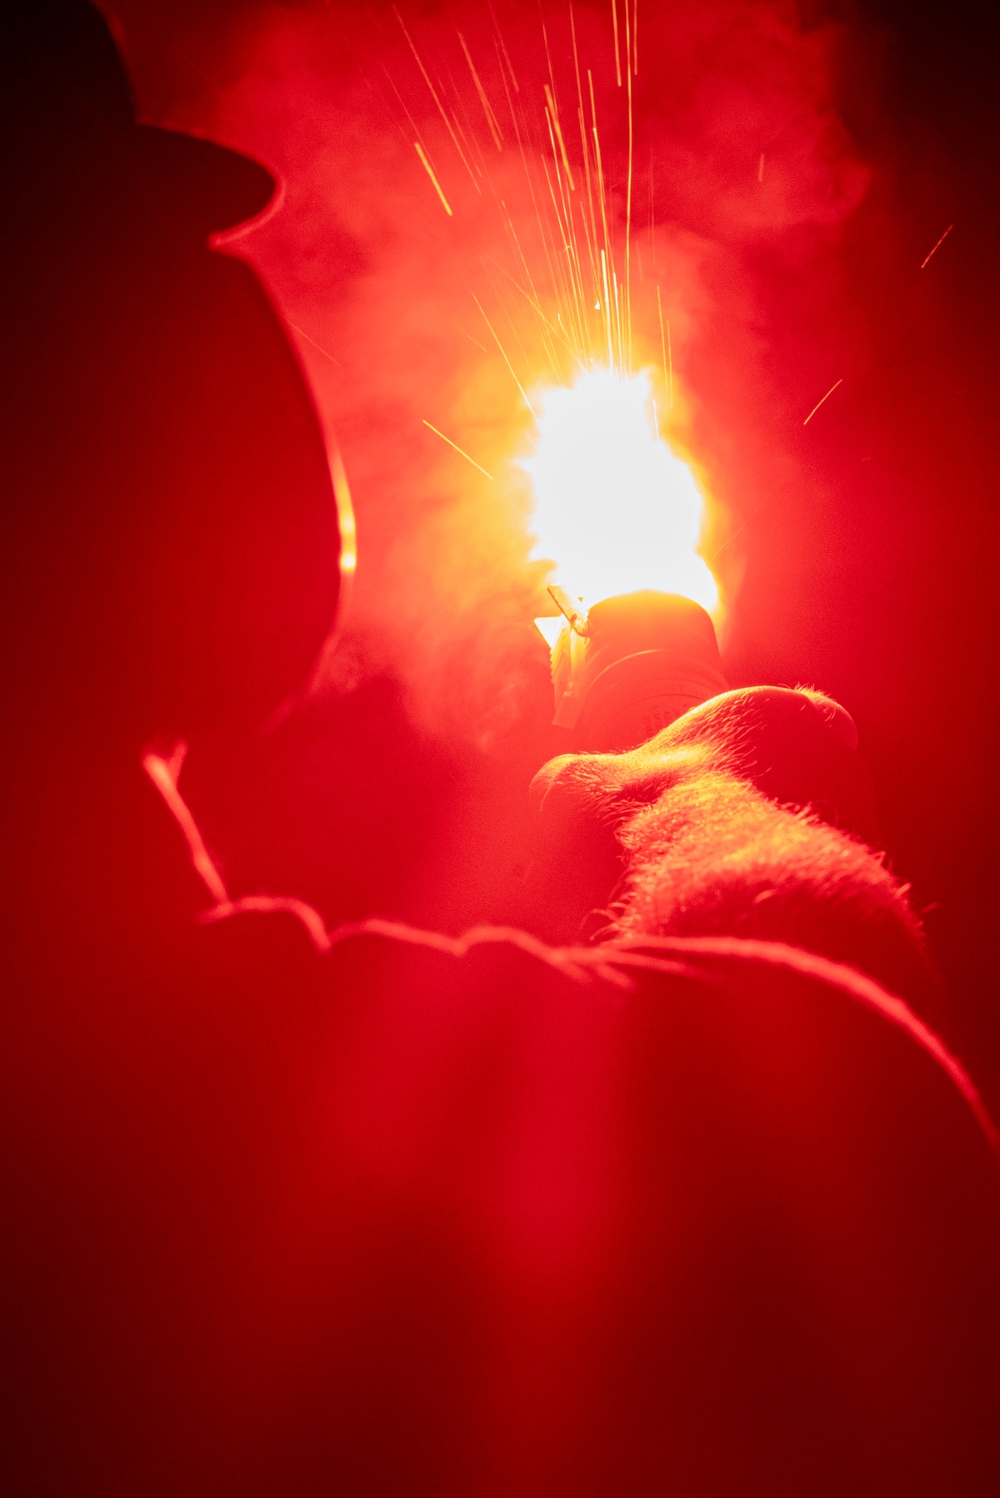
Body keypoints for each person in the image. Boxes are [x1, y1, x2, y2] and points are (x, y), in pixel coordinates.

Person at [2, 6, 998, 1494]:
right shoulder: (95, 1059)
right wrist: (701, 773)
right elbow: (859, 1126)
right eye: (107, 260)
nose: (194, 312)